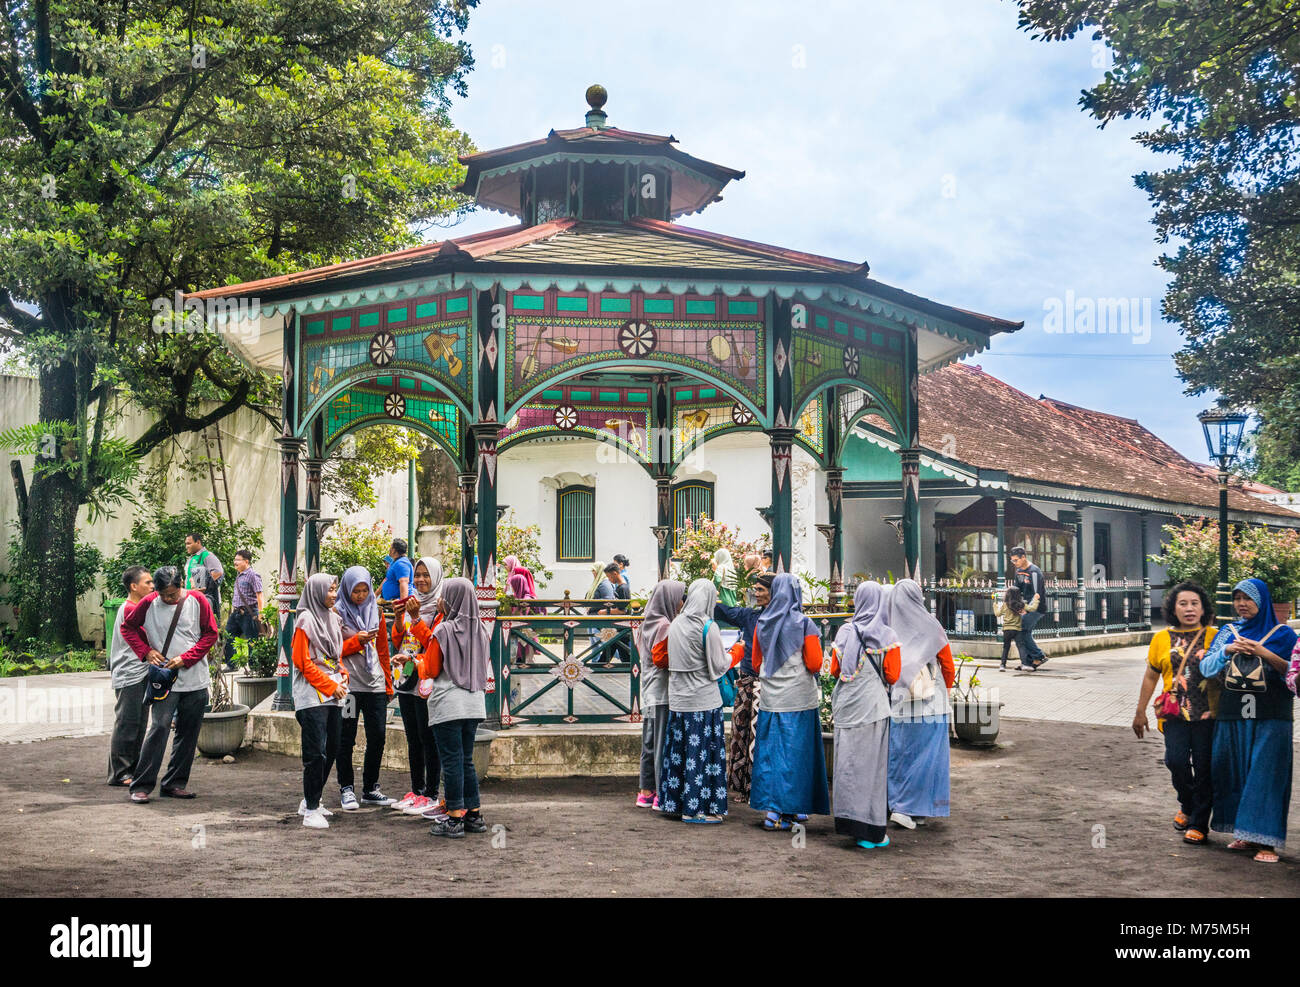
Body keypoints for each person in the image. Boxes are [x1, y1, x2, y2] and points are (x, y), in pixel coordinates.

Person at [1198, 578, 1297, 863]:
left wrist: (1264, 653)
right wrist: (1227, 651)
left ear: (1262, 601)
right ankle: (1244, 833)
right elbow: (1205, 668)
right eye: (1238, 598)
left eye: (1248, 598)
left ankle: (1267, 842)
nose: (1242, 604)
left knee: (1266, 774)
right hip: (1234, 713)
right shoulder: (1228, 632)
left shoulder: (1283, 635)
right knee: (1234, 770)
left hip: (1272, 715)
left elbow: (1294, 673)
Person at [120, 565, 220, 803]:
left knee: (188, 733)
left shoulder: (197, 600)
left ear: (181, 586)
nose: (168, 598)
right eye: (163, 594)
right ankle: (141, 785)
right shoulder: (149, 603)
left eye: (173, 594)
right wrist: (146, 652)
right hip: (164, 680)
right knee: (159, 728)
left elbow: (211, 634)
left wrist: (186, 658)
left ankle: (174, 783)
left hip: (195, 678)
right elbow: (128, 627)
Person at [1132, 581, 1218, 845]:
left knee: (1205, 768)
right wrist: (1140, 711)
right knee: (1176, 762)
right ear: (1173, 608)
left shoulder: (1216, 636)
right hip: (1173, 713)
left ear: (1203, 608)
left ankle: (1199, 824)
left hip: (1208, 715)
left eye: (1195, 603)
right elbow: (1150, 676)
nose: (1189, 609)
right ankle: (1187, 803)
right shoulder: (1161, 639)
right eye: (1183, 603)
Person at [405, 577, 491, 839]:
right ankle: (473, 814)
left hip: (448, 703)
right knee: (466, 760)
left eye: (445, 595)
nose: (441, 600)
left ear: (453, 599)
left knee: (451, 761)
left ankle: (454, 817)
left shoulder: (445, 630)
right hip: (474, 703)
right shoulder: (482, 632)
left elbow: (430, 669)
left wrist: (413, 663)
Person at [653, 578, 742, 824]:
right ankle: (697, 810)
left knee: (681, 753)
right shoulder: (708, 626)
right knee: (702, 755)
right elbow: (718, 666)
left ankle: (677, 802)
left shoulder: (676, 624)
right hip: (703, 701)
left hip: (679, 700)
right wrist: (736, 652)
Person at [749, 573, 830, 830]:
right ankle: (796, 808)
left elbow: (756, 662)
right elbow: (815, 662)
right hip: (800, 698)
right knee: (798, 753)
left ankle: (773, 811)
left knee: (772, 753)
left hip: (772, 698)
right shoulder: (804, 624)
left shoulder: (763, 622)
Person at [829, 582, 901, 849]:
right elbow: (893, 675)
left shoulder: (845, 631)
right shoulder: (887, 635)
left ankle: (848, 821)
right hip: (872, 707)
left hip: (846, 706)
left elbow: (835, 670)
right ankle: (871, 830)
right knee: (872, 768)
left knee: (847, 764)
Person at [885, 577, 955, 829]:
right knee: (928, 758)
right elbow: (947, 665)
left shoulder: (888, 627)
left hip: (899, 704)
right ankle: (914, 809)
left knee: (901, 755)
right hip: (931, 704)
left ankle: (903, 806)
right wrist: (943, 692)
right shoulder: (932, 626)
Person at [290, 573, 354, 829]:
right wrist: (330, 685)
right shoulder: (305, 619)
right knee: (315, 752)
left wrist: (343, 674)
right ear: (316, 591)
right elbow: (302, 661)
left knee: (333, 747)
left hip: (333, 694)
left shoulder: (333, 618)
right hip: (311, 696)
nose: (333, 594)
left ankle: (310, 800)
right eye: (328, 589)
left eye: (335, 589)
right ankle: (311, 809)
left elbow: (333, 658)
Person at [333, 566, 397, 809]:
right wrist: (355, 642)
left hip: (374, 685)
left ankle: (371, 787)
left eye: (364, 590)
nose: (360, 595)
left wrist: (388, 684)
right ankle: (346, 787)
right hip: (349, 686)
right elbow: (332, 649)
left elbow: (383, 650)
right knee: (346, 737)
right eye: (355, 591)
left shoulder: (376, 612)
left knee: (378, 736)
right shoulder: (337, 613)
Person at [390, 557, 445, 817]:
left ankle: (431, 793)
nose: (421, 580)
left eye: (426, 575)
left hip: (424, 679)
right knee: (412, 737)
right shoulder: (414, 603)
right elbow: (400, 638)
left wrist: (415, 617)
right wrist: (400, 618)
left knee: (428, 738)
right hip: (406, 676)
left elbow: (432, 644)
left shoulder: (440, 608)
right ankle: (417, 789)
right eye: (418, 575)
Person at [715, 571, 774, 800]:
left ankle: (760, 787)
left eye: (761, 590)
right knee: (743, 734)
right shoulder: (751, 616)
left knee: (761, 736)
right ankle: (743, 786)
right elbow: (725, 612)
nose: (756, 594)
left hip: (769, 685)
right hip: (748, 682)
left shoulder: (778, 620)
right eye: (755, 589)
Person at [634, 579, 686, 808]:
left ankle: (645, 790)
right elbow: (663, 659)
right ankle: (660, 792)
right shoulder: (664, 625)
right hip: (662, 690)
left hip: (649, 689)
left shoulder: (646, 621)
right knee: (660, 742)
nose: (682, 602)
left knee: (649, 740)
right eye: (679, 597)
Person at [107, 566, 154, 787]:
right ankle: (120, 773)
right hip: (129, 674)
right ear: (134, 586)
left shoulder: (138, 607)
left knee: (139, 723)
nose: (152, 586)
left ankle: (130, 769)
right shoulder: (129, 609)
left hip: (140, 672)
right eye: (147, 582)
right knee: (127, 723)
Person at [223, 549, 264, 670]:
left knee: (252, 641)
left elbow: (260, 595)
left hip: (249, 613)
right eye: (234, 559)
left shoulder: (253, 575)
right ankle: (232, 665)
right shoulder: (239, 575)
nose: (235, 562)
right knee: (228, 635)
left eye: (238, 560)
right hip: (236, 613)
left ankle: (254, 667)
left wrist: (260, 614)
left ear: (246, 561)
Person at [1009, 547, 1046, 668]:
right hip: (1025, 607)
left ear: (1023, 557)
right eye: (1012, 561)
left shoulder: (1034, 572)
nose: (1014, 563)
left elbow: (1037, 595)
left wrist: (1027, 609)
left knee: (1022, 630)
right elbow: (1017, 590)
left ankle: (1039, 656)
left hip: (1037, 608)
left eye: (1016, 560)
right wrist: (1017, 607)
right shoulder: (1019, 571)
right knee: (1024, 632)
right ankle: (1028, 662)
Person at [589, 561, 629, 664]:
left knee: (615, 643)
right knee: (616, 645)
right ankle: (602, 664)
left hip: (621, 624)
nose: (609, 580)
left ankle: (601, 664)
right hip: (619, 626)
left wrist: (605, 611)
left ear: (615, 573)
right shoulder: (620, 587)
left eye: (610, 577)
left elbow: (623, 611)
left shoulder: (623, 589)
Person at [184, 532, 224, 618]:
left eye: (189, 543)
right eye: (186, 544)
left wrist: (200, 585)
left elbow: (218, 572)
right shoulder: (191, 558)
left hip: (204, 600)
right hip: (190, 599)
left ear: (198, 542)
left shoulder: (207, 555)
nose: (186, 546)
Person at [992, 585, 1027, 671]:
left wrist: (995, 605)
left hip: (1007, 629)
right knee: (1020, 646)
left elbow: (997, 614)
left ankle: (1002, 665)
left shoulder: (1005, 604)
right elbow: (1025, 612)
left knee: (1006, 647)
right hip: (1017, 629)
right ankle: (1024, 664)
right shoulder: (1021, 604)